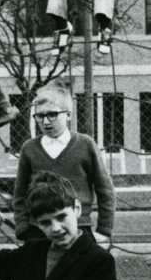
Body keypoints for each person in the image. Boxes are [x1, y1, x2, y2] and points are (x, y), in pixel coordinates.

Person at [13, 87, 116, 247]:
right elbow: (20, 193)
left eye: (52, 115)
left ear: (68, 115)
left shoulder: (85, 144)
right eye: (40, 116)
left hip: (78, 227)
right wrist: (23, 228)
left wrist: (104, 229)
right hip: (40, 229)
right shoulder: (29, 148)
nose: (46, 122)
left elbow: (105, 189)